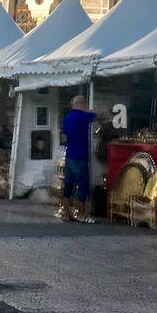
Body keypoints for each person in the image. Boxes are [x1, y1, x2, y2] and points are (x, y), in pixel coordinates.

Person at [57, 94, 97, 223]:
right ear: (81, 104)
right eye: (84, 104)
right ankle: (80, 214)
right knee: (83, 185)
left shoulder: (68, 117)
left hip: (70, 154)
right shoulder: (83, 117)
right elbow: (98, 115)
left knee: (68, 185)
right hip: (80, 156)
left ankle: (65, 212)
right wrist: (88, 110)